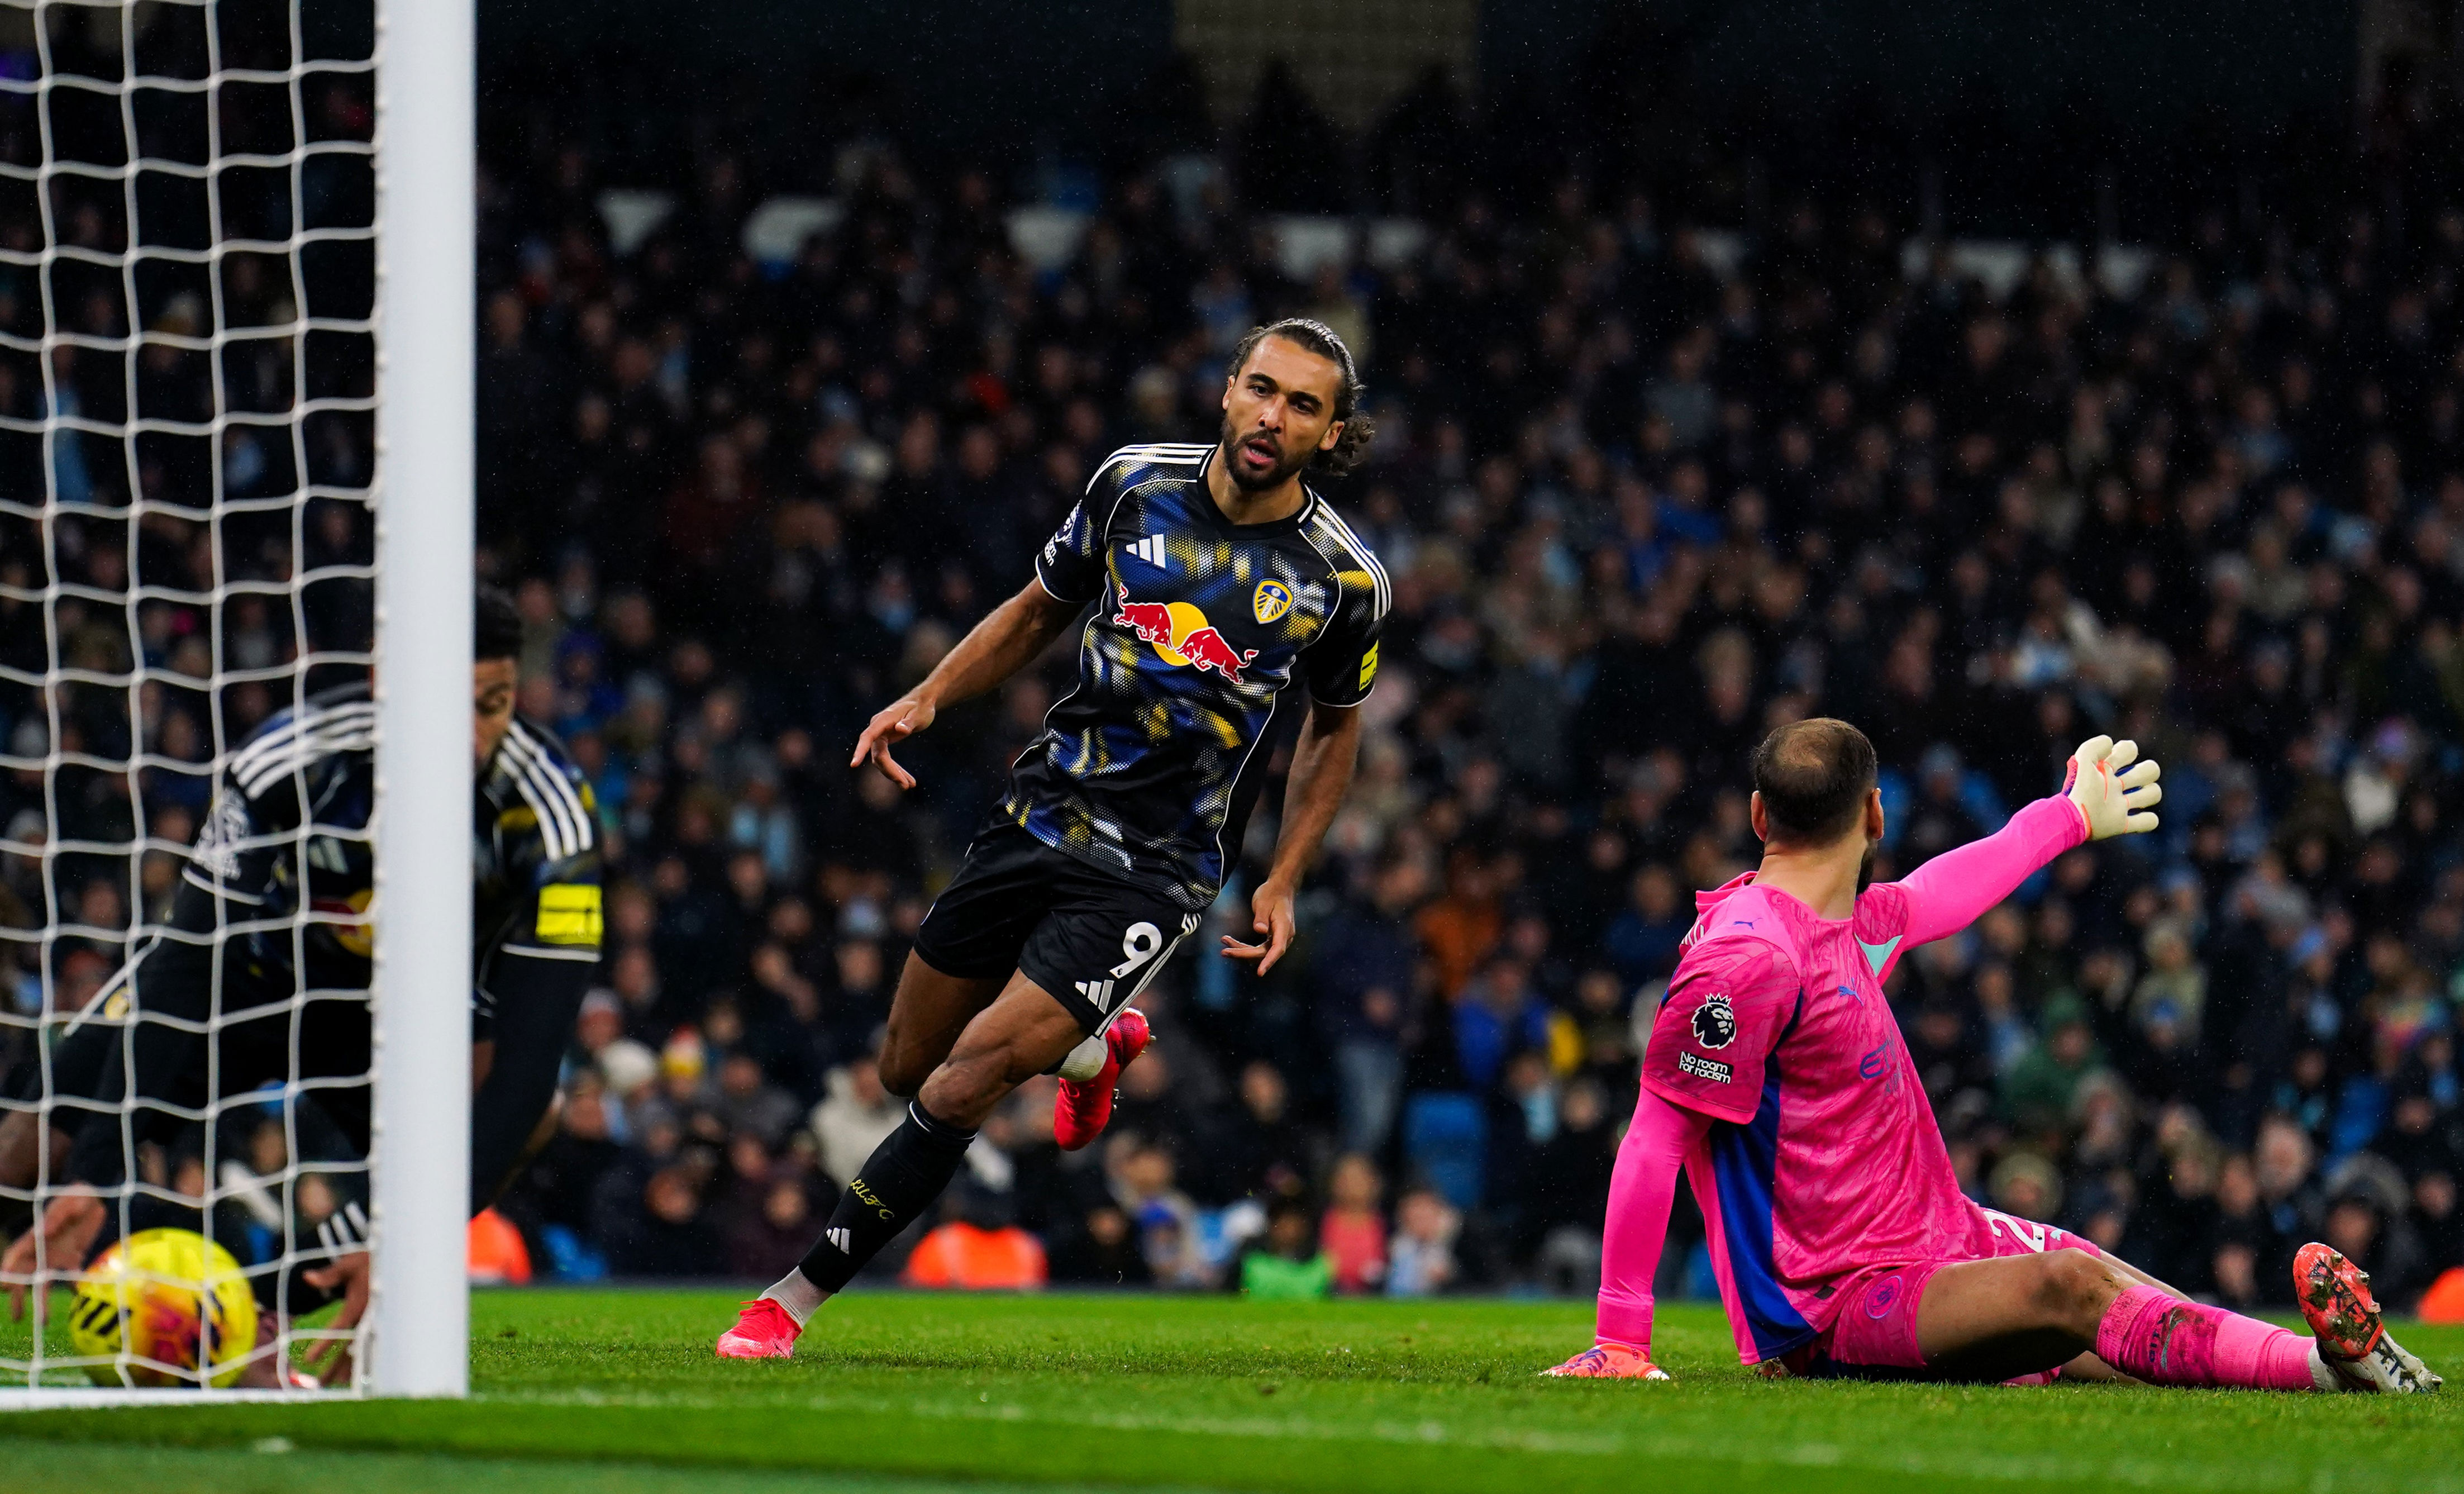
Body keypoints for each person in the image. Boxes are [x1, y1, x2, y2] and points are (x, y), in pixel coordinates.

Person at [717, 318, 1385, 1358]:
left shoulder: (1343, 581)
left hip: (1158, 871)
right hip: (1038, 813)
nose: (1272, 415)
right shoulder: (1132, 485)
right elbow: (1039, 610)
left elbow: (1334, 731)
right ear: (1226, 390)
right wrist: (930, 696)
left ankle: (789, 1300)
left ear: (1332, 429)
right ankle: (1091, 1046)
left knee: (963, 1081)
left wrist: (1286, 876)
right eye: (1261, 388)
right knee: (905, 1064)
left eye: (1303, 404)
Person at [1544, 720, 2442, 1395]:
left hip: (1936, 1237)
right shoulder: (1748, 958)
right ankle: (2331, 1366)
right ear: (1875, 811)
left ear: (1757, 815)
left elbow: (1944, 891)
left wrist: (2069, 815)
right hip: (1844, 1297)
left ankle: (2337, 1364)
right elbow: (1656, 1138)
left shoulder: (1843, 927)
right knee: (2072, 1284)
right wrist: (1622, 1338)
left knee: (2117, 1285)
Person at [2, 587, 603, 1377]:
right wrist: (97, 1165)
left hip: (398, 1019)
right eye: (448, 701)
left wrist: (401, 1240)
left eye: (493, 704)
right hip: (244, 981)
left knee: (534, 1110)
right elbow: (185, 960)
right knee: (26, 1145)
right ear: (392, 682)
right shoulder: (288, 759)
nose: (472, 735)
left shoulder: (551, 818)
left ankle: (269, 1307)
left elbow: (527, 1068)